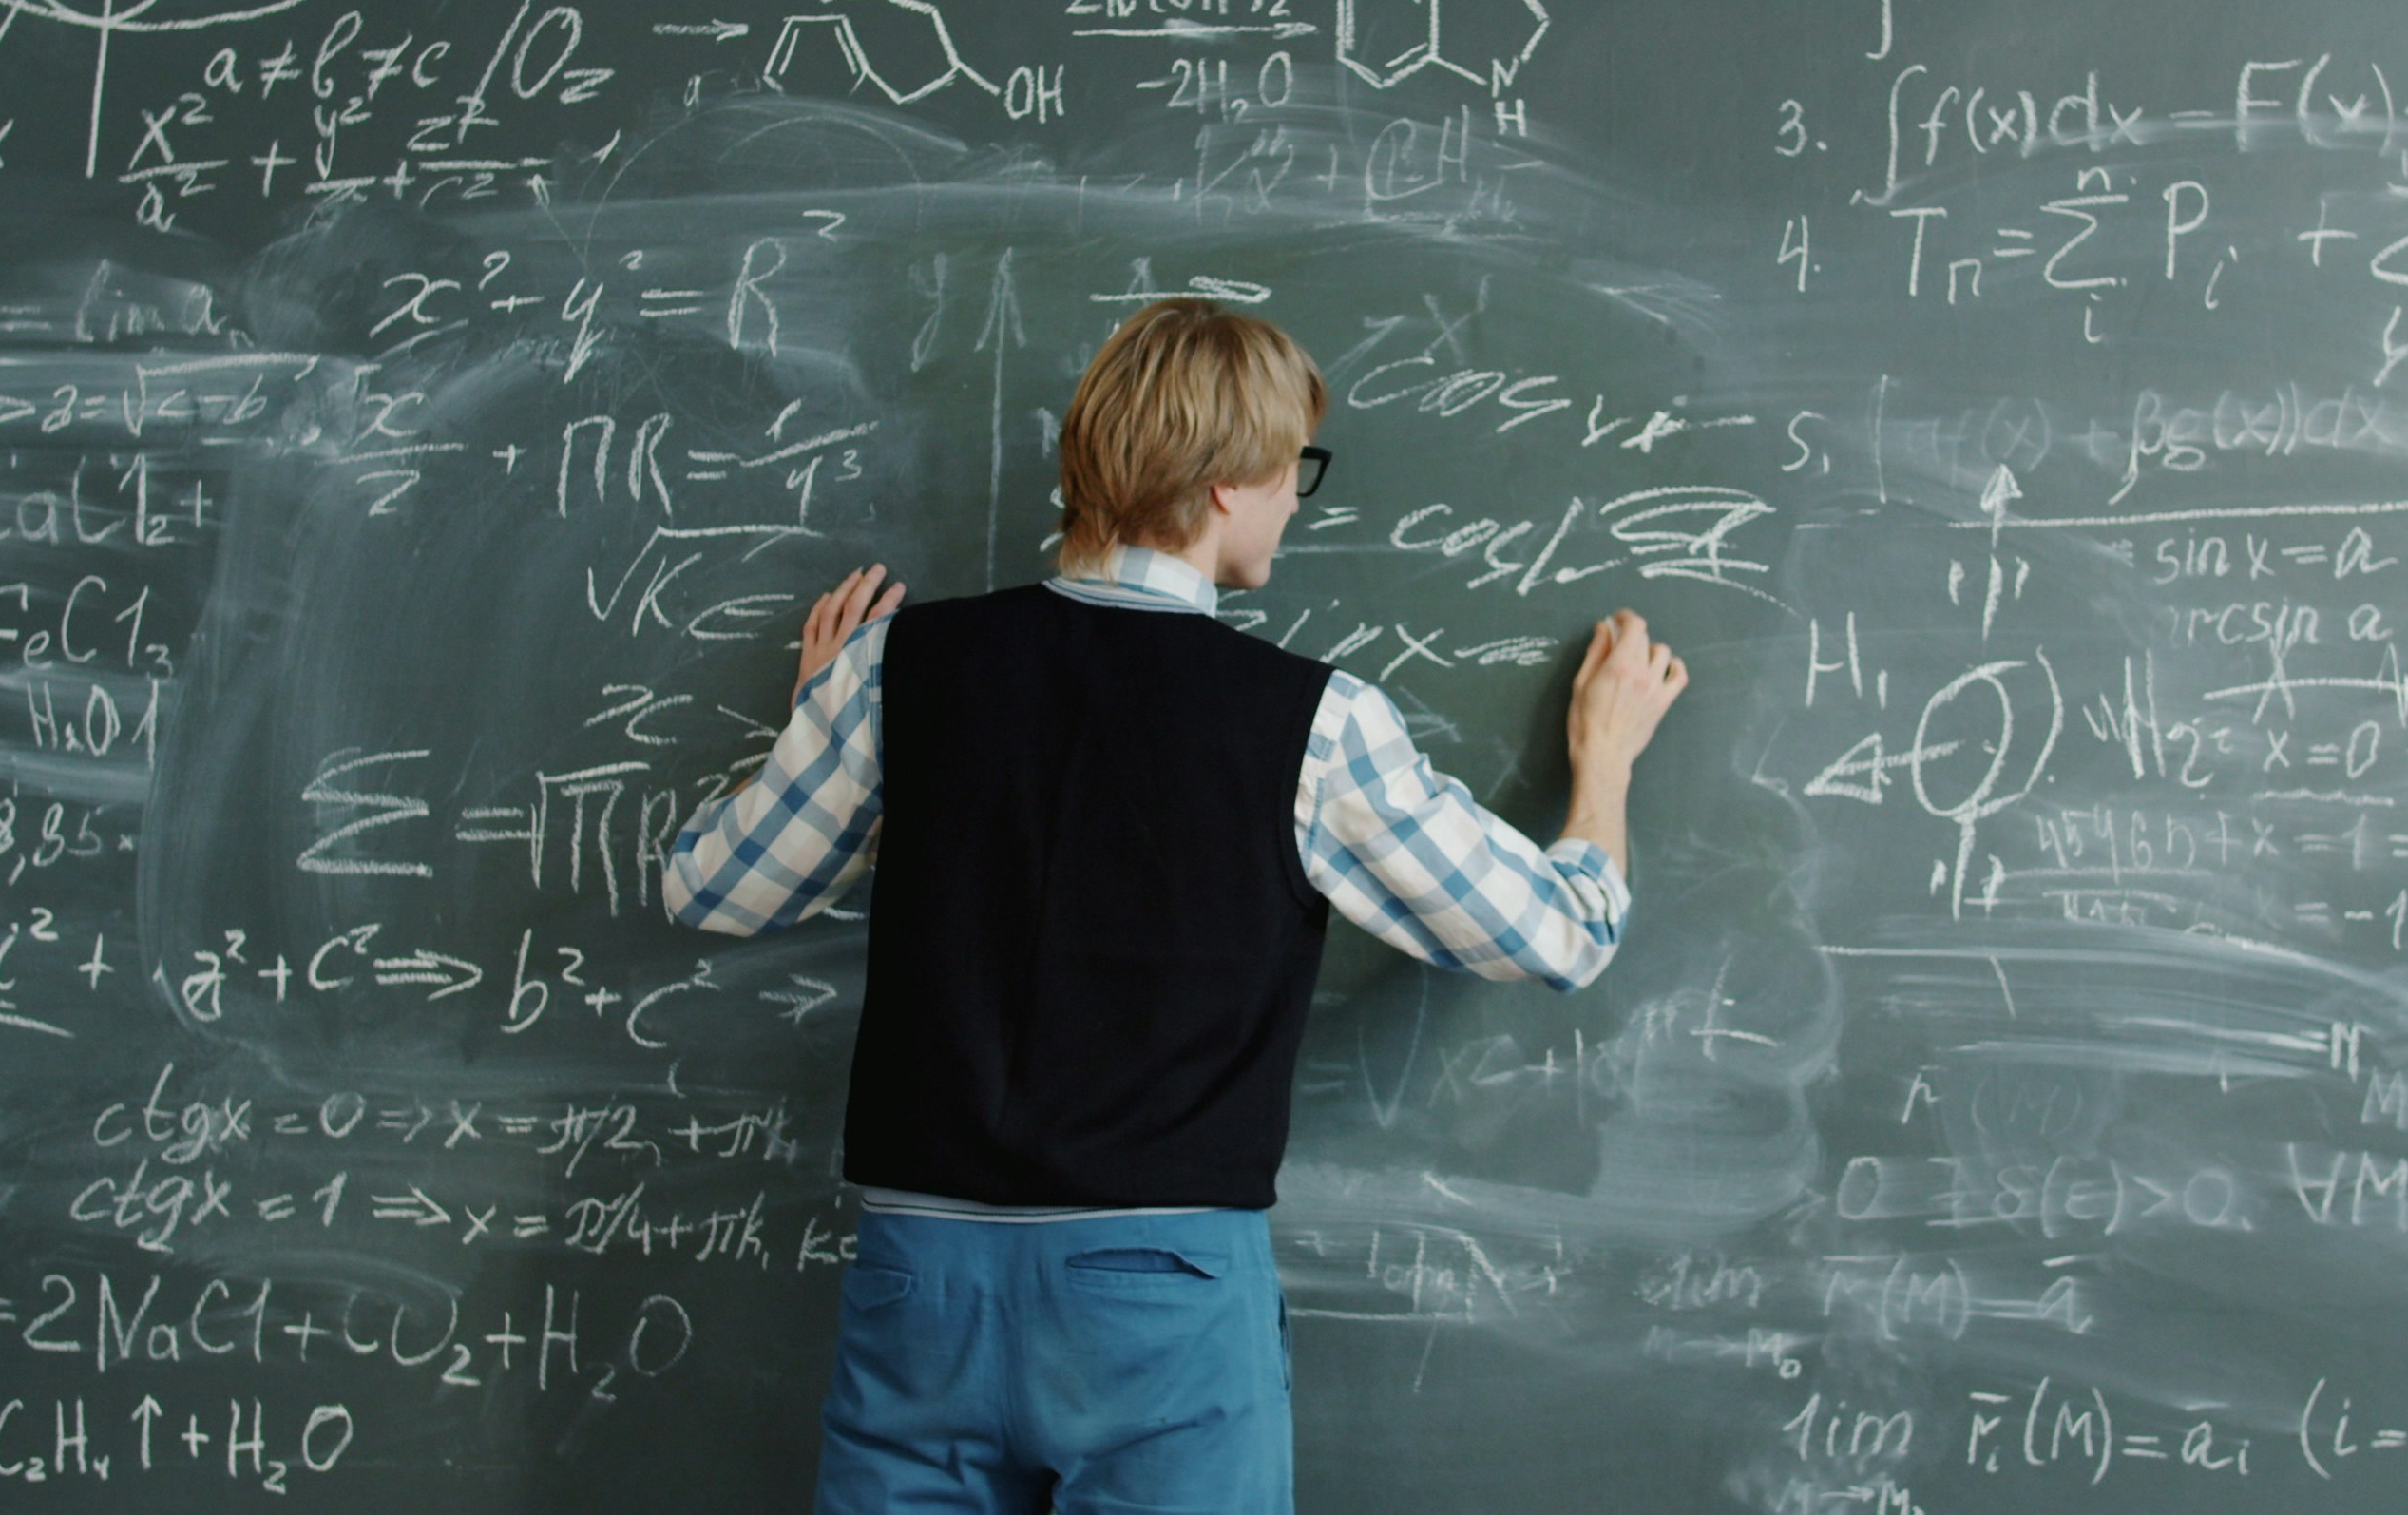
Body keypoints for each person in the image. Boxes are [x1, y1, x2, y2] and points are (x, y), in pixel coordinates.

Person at [661, 296, 1688, 1514]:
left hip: (919, 1280)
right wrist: (1606, 766)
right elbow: (1561, 934)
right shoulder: (1313, 725)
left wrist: (816, 726)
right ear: (1220, 489)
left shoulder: (897, 670)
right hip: (1157, 1292)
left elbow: (712, 889)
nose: (1297, 500)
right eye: (1290, 470)